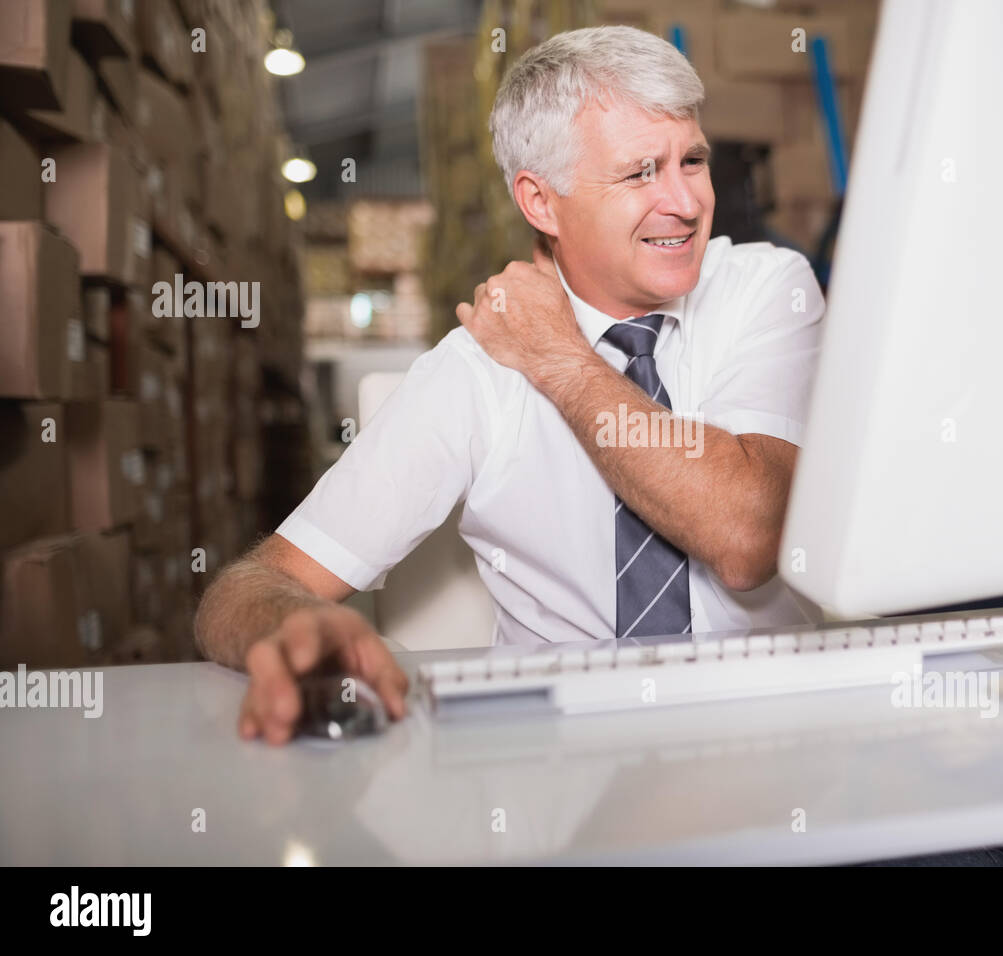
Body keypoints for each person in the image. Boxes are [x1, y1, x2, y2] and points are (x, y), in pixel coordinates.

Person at [195, 25, 825, 745]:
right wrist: (301, 626)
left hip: (775, 736)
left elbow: (747, 534)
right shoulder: (473, 370)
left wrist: (559, 358)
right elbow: (242, 590)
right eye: (640, 173)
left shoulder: (766, 288)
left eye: (693, 160)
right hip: (565, 774)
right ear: (541, 202)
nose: (684, 201)